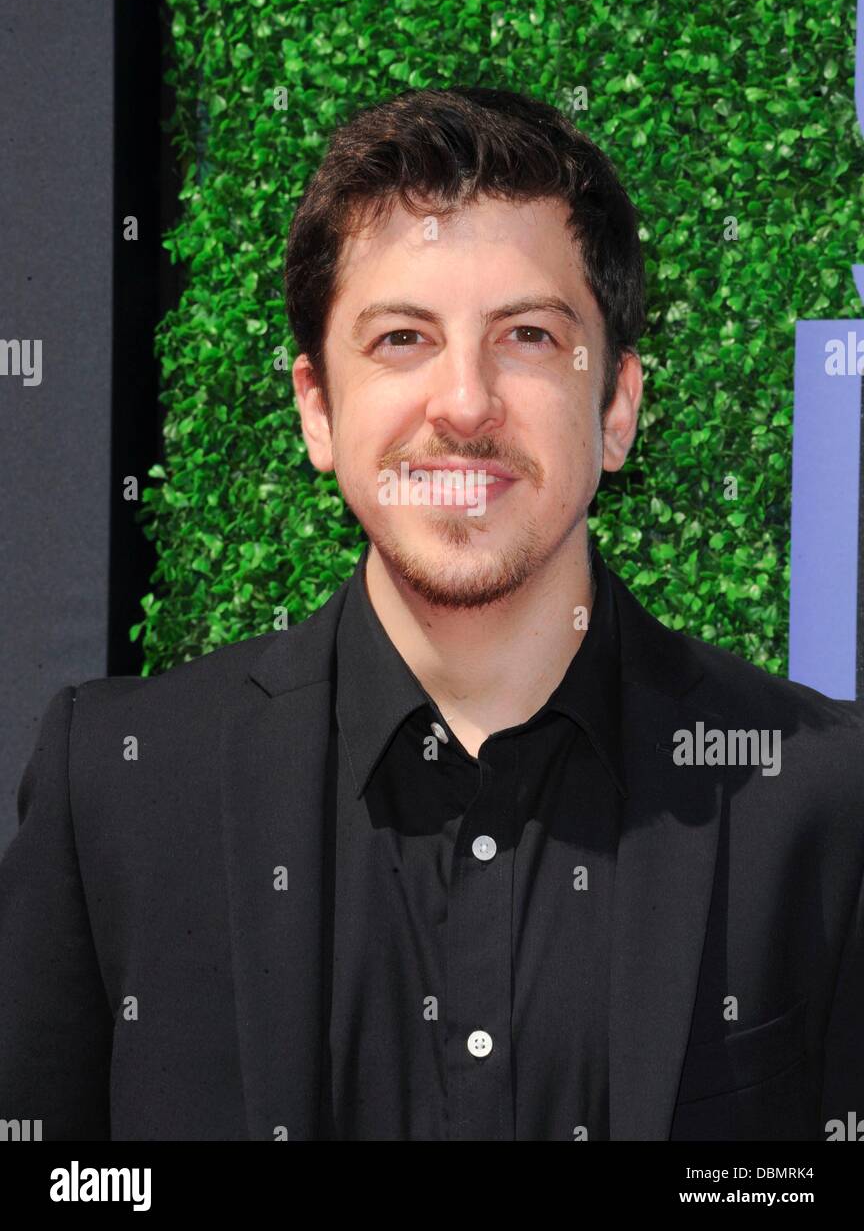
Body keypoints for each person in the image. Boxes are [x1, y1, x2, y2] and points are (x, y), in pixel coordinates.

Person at [1, 86, 862, 1141]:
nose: (464, 403)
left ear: (619, 407)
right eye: (404, 338)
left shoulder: (821, 801)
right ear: (319, 408)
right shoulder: (120, 795)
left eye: (531, 336)